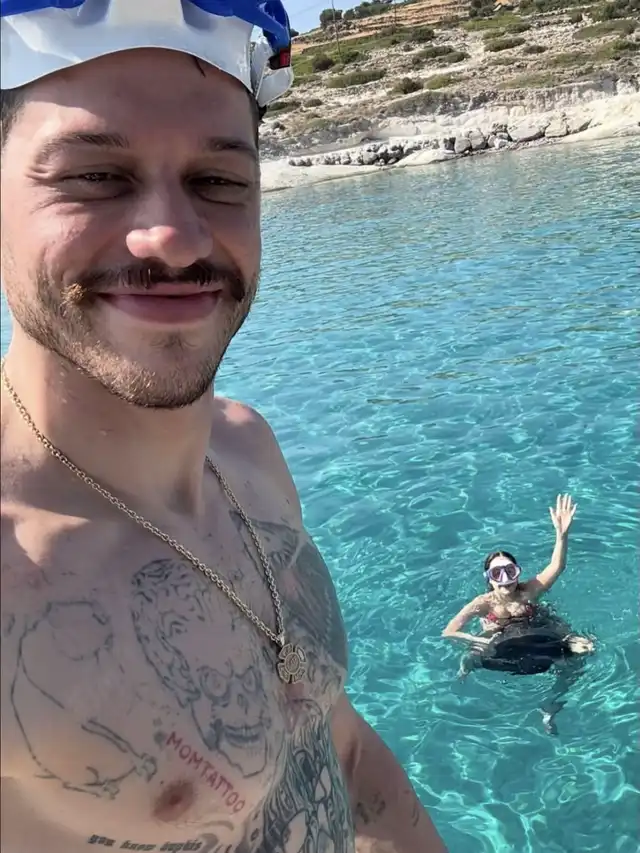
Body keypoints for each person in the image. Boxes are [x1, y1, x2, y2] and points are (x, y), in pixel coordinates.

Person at [0, 3, 447, 853]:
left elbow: (341, 751)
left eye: (219, 181)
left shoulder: (247, 452)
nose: (174, 238)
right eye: (95, 176)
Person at [442, 495, 594, 733]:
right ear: (489, 580)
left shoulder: (529, 590)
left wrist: (561, 534)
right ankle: (464, 670)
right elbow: (449, 631)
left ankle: (551, 705)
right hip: (505, 640)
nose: (505, 579)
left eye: (510, 571)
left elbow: (557, 567)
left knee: (583, 653)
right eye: (497, 574)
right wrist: (474, 639)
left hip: (541, 633)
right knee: (471, 656)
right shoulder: (483, 603)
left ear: (517, 573)